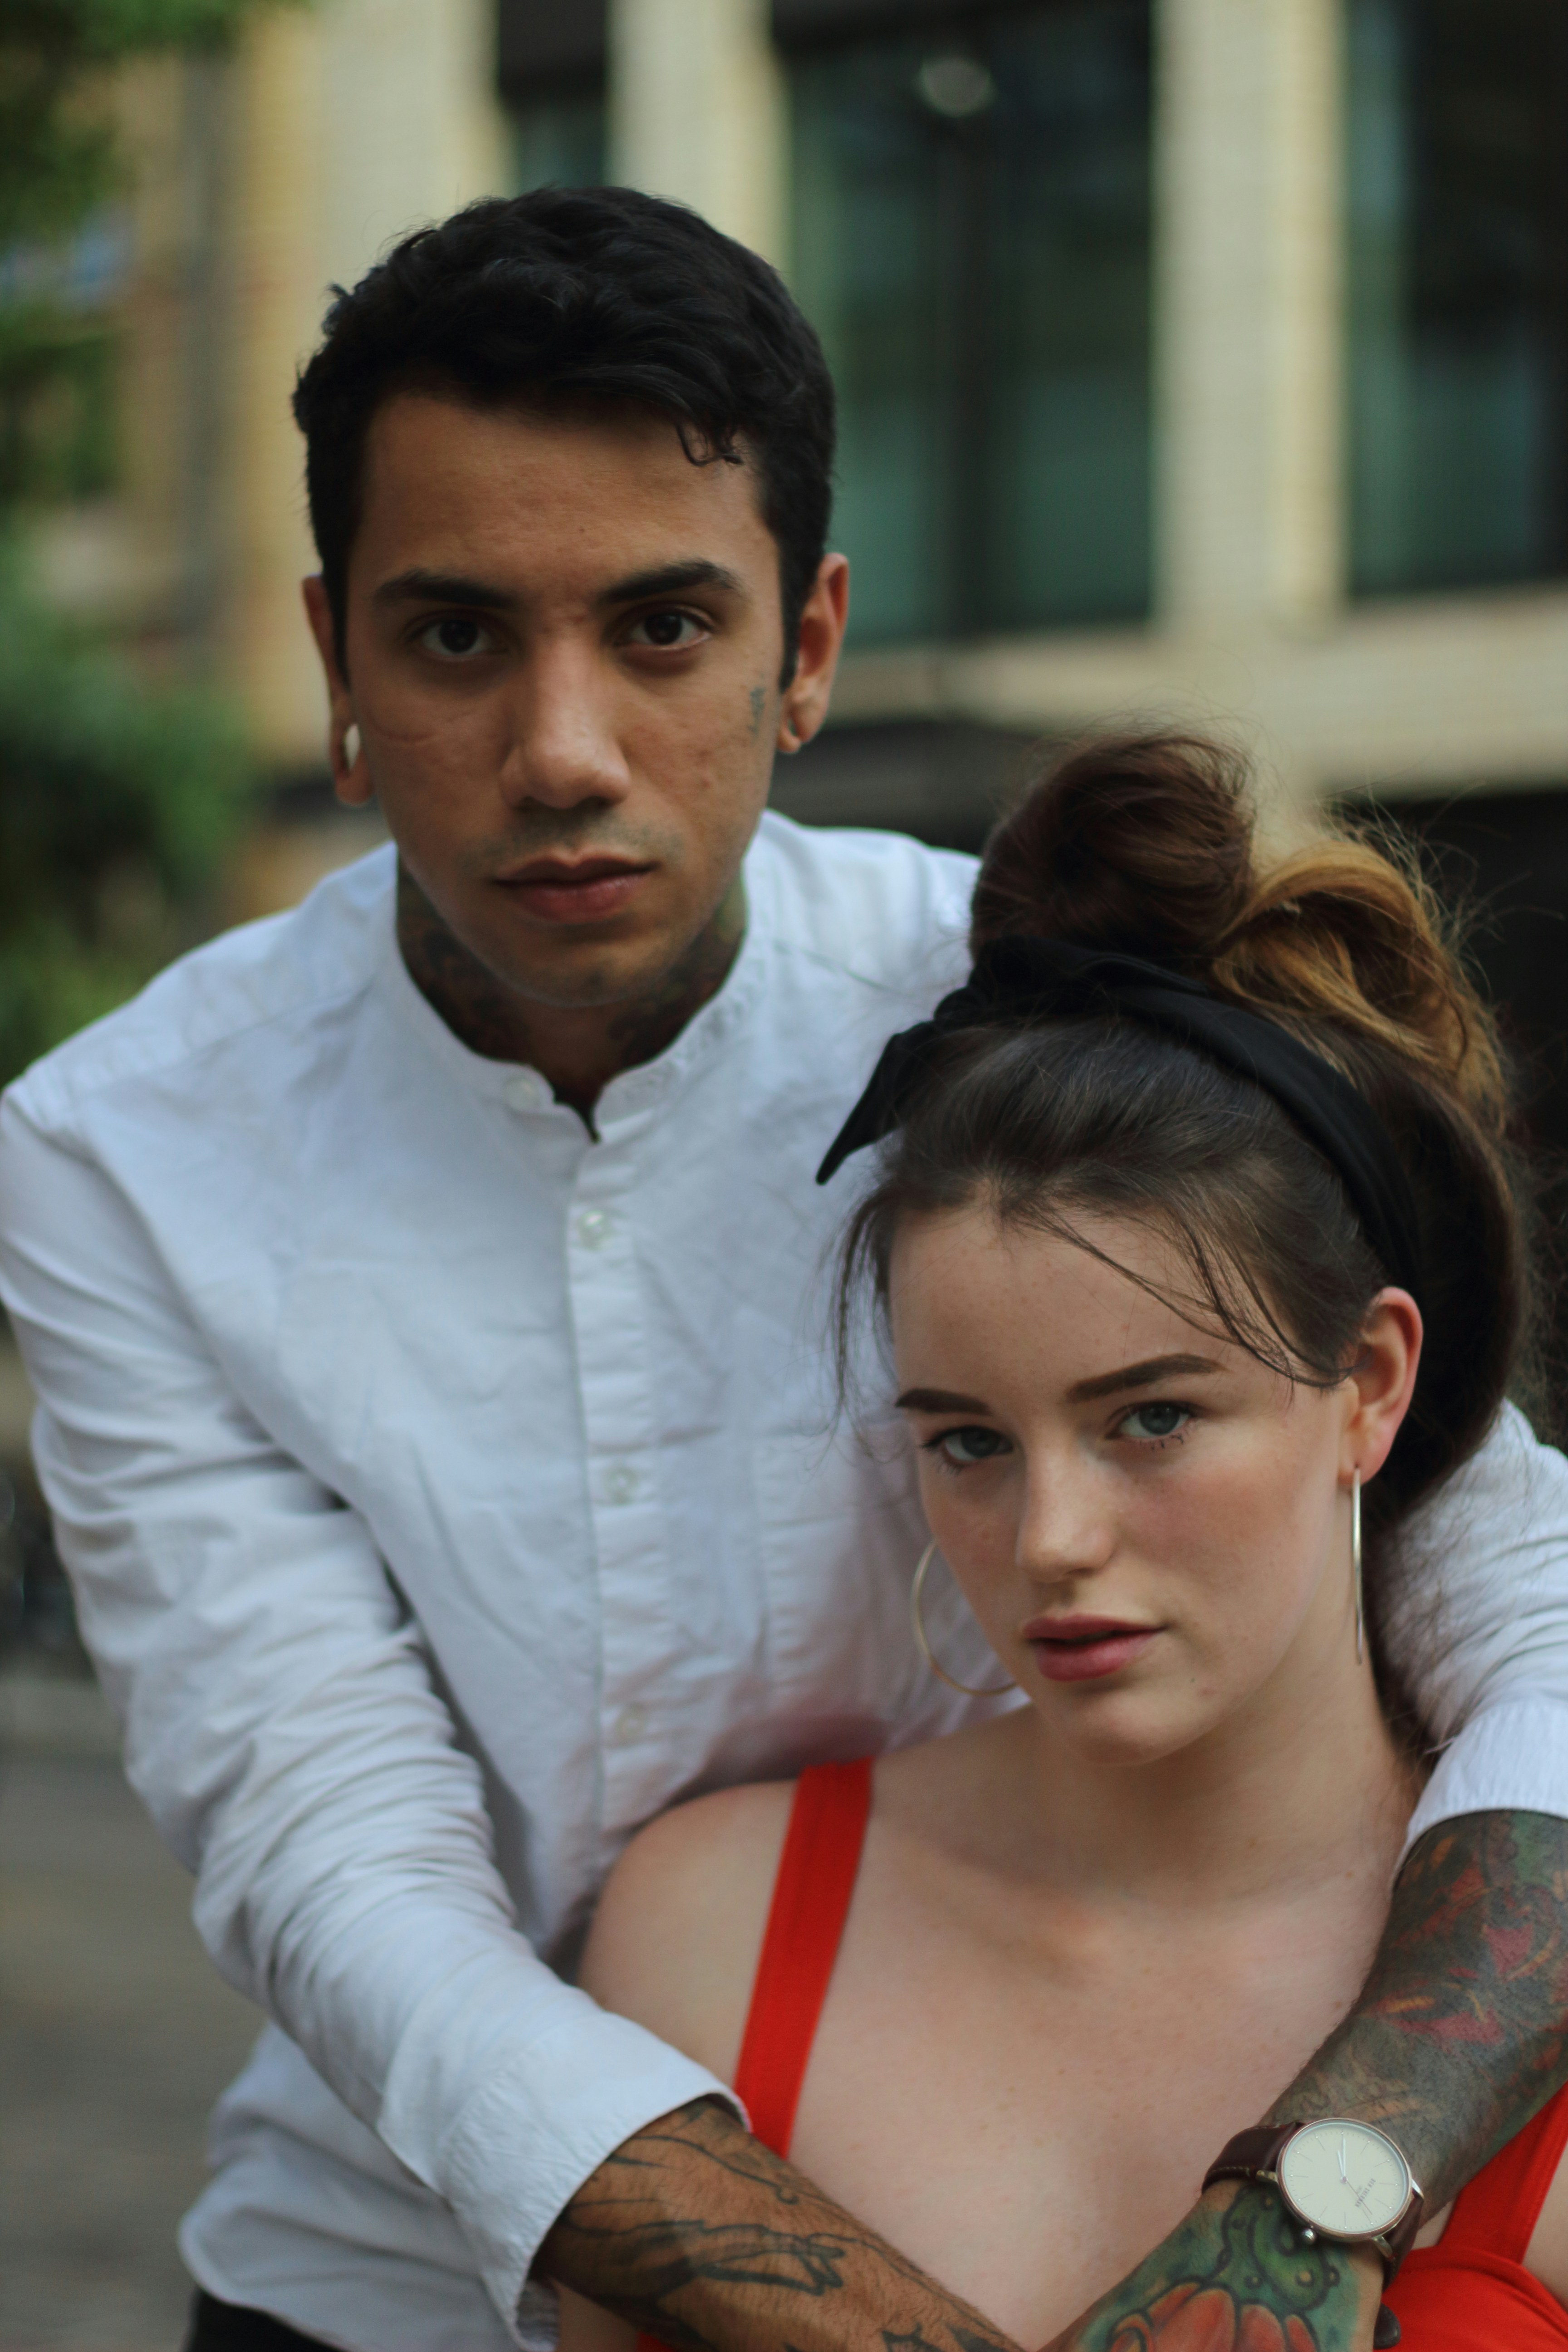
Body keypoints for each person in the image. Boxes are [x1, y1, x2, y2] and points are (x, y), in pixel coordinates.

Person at [0, 188, 1564, 2352]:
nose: (564, 748)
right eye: (456, 634)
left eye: (661, 629)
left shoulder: (1035, 1020)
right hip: (382, 2271)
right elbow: (332, 1867)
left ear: (806, 647)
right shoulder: (121, 1154)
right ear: (336, 659)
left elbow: (1527, 1608)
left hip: (1113, 2207)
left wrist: (1324, 2197)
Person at [562, 734, 1568, 2352]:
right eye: (968, 1440)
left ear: (1369, 1386)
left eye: (1152, 1418)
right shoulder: (714, 1926)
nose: (1050, 1540)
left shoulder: (1542, 1957)